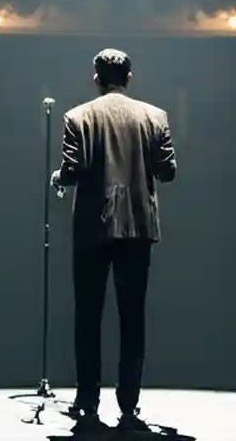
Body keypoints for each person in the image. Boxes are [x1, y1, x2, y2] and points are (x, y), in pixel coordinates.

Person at [50, 48, 177, 433]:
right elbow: (167, 172)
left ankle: (88, 401)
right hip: (138, 228)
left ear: (96, 78)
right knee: (132, 317)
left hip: (92, 229)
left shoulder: (78, 116)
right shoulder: (155, 117)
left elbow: (72, 172)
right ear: (130, 77)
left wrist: (58, 177)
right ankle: (129, 405)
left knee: (87, 316)